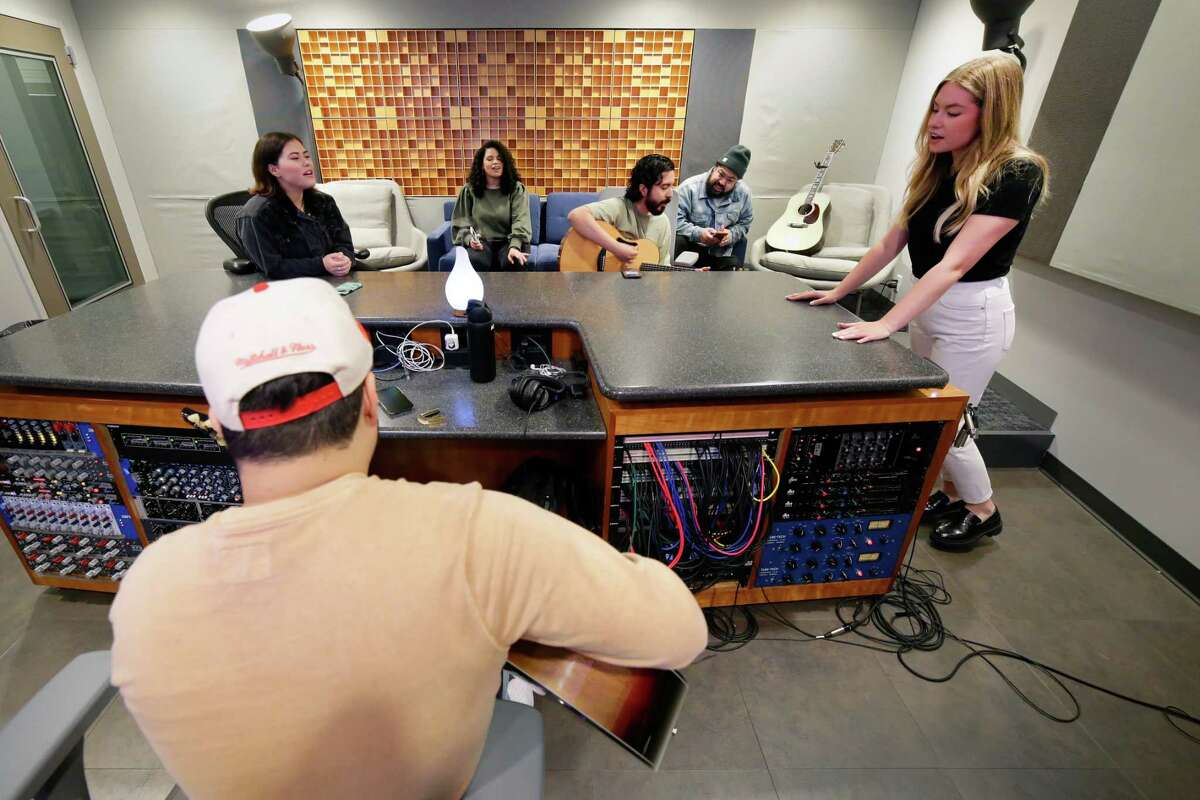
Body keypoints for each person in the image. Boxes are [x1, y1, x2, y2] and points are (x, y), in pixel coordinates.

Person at [109, 278, 707, 800]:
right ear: (372, 401)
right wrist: (631, 569)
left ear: (215, 424)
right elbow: (679, 633)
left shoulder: (145, 590)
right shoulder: (477, 535)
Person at [785, 53, 1048, 552]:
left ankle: (982, 509)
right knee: (922, 412)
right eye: (935, 109)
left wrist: (886, 324)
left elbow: (954, 265)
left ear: (989, 115)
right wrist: (840, 291)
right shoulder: (940, 166)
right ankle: (948, 494)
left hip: (973, 312)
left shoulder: (1018, 173)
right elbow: (891, 243)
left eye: (953, 112)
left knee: (949, 420)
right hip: (928, 302)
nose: (935, 122)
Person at [236, 131, 356, 280]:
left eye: (306, 156)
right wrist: (321, 264)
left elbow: (343, 243)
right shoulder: (257, 214)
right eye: (295, 158)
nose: (306, 162)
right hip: (290, 290)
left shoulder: (324, 202)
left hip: (335, 282)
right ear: (274, 169)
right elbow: (273, 267)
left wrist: (345, 259)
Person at [567, 153, 676, 267]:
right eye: (664, 187)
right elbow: (576, 215)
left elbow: (663, 269)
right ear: (643, 189)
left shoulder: (662, 223)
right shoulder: (620, 207)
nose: (670, 194)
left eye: (671, 186)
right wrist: (616, 248)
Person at [449, 140, 533, 271]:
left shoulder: (516, 189)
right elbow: (460, 223)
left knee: (513, 261)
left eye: (500, 159)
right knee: (476, 261)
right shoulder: (469, 190)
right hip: (482, 242)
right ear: (482, 165)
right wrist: (470, 240)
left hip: (509, 242)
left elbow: (521, 221)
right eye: (489, 159)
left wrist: (515, 247)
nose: (495, 162)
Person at [675, 144, 754, 269]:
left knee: (738, 250)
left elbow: (745, 222)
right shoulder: (689, 188)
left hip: (722, 253)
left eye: (730, 180)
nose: (722, 182)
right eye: (721, 174)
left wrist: (731, 234)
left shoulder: (743, 193)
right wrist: (699, 233)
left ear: (736, 181)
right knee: (678, 240)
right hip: (691, 250)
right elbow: (674, 222)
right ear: (714, 168)